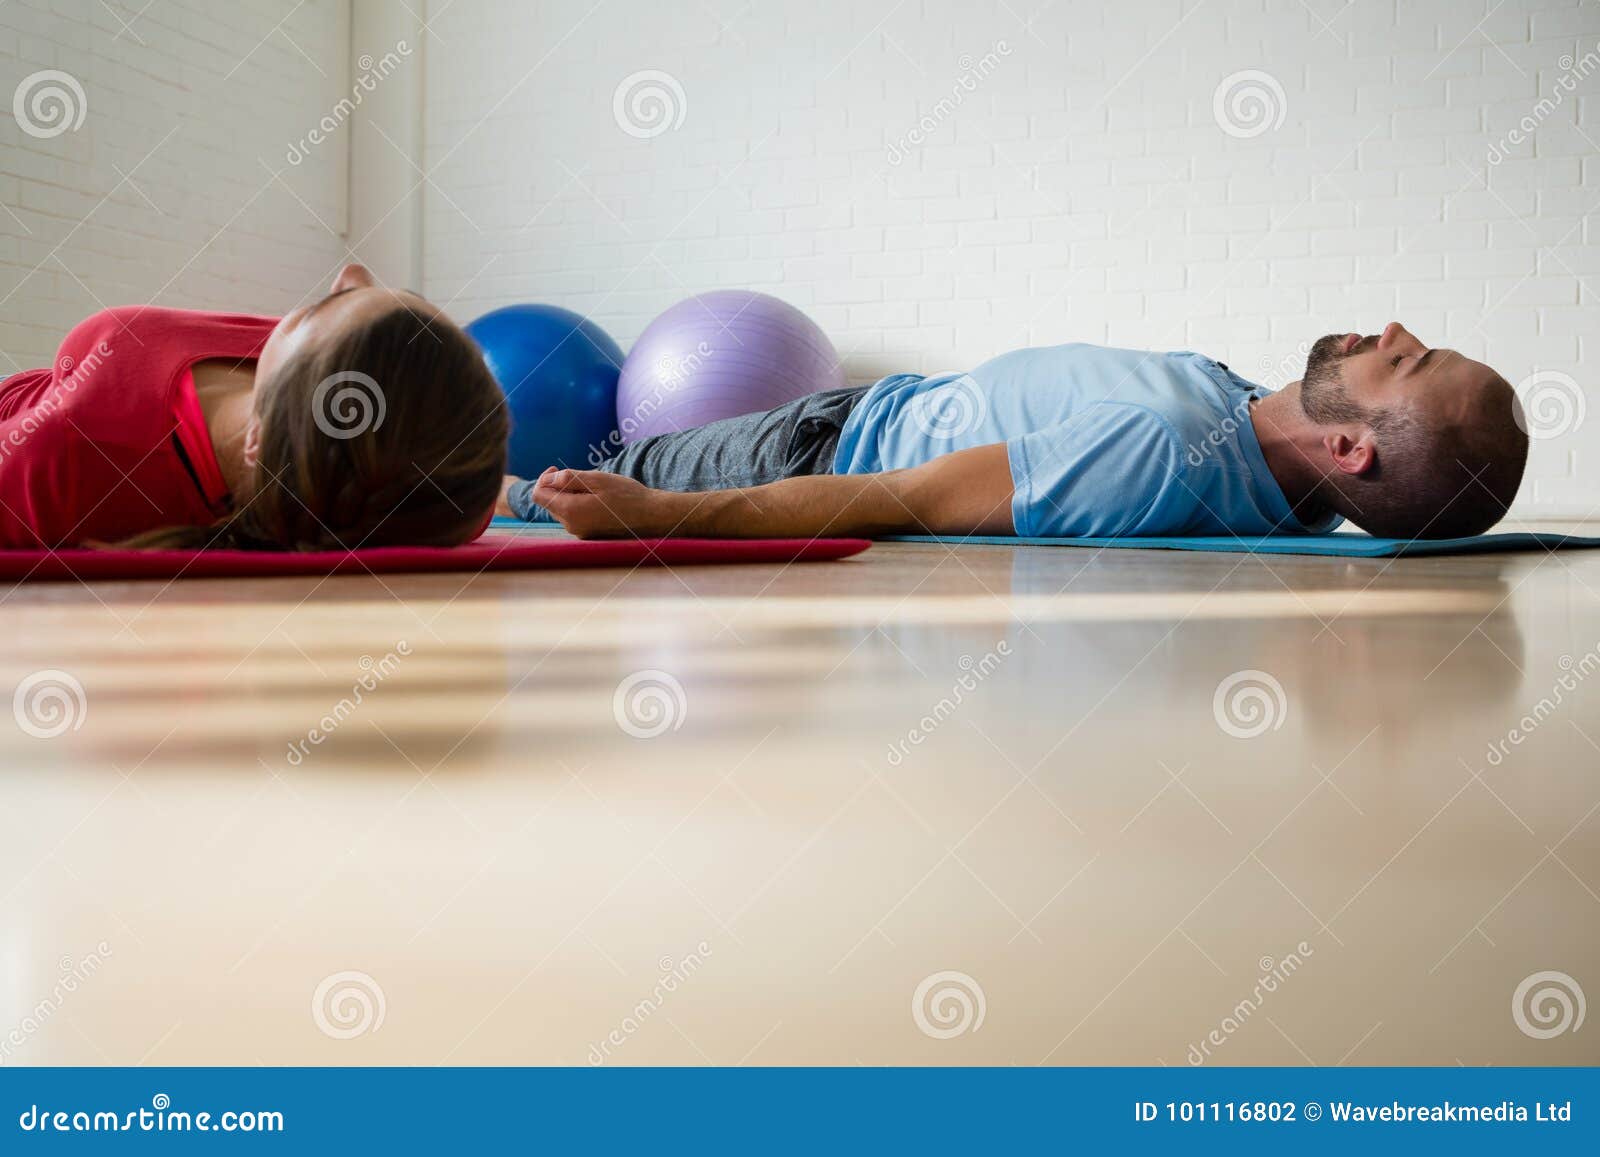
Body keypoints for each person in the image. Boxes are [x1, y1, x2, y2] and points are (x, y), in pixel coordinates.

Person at [502, 322, 1528, 543]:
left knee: (547, 489)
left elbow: (895, 500)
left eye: (1407, 360)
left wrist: (658, 517)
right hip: (861, 412)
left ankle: (446, 493)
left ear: (1351, 449)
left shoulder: (1158, 451)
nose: (1393, 331)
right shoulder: (1277, 468)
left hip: (824, 446)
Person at [0, 263, 507, 550]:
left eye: (324, 307)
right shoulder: (437, 485)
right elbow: (463, 484)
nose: (349, 273)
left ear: (258, 440)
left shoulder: (64, 457)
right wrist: (529, 493)